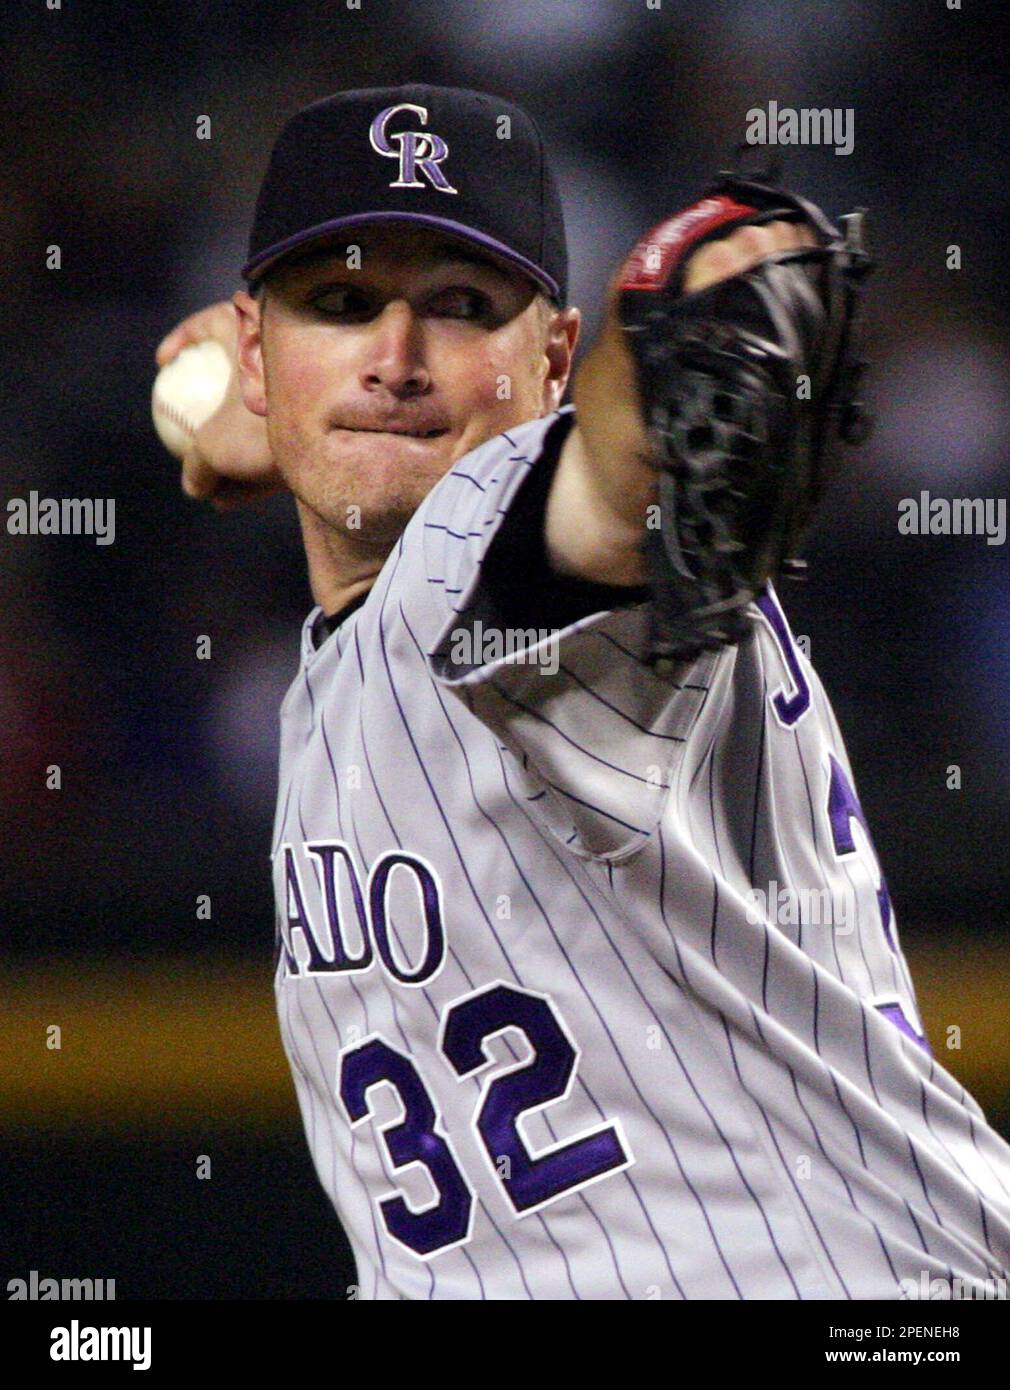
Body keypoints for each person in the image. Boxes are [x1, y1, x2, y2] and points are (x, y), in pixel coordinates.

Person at [157, 84, 1010, 1299]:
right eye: (341, 305)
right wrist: (281, 421)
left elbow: (597, 492)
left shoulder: (479, 529)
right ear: (255, 352)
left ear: (553, 359)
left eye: (459, 310)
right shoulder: (342, 652)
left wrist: (704, 307)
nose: (395, 362)